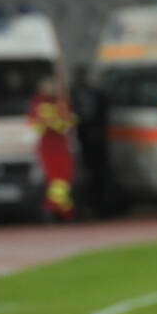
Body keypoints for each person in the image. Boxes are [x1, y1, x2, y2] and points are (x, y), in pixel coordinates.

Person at [28, 74, 77, 221]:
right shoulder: (39, 103)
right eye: (50, 86)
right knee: (57, 180)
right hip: (49, 147)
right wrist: (57, 122)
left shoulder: (60, 102)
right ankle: (57, 209)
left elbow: (69, 123)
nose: (53, 88)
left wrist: (61, 120)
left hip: (62, 146)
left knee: (64, 178)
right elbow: (39, 125)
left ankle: (59, 209)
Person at [70, 65, 116, 218]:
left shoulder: (92, 94)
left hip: (96, 140)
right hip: (83, 140)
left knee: (100, 173)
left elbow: (104, 114)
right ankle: (88, 206)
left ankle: (101, 205)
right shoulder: (73, 94)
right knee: (85, 175)